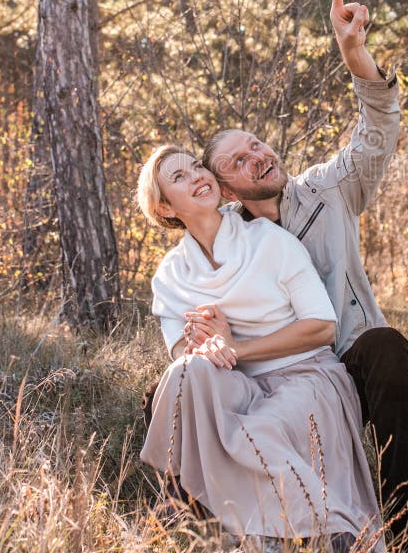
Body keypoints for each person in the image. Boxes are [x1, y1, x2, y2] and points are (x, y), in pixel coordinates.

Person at [192, 0, 408, 553]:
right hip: (274, 378)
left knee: (386, 346)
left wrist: (355, 55)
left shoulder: (329, 190)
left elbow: (377, 132)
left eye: (256, 144)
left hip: (344, 358)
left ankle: (405, 530)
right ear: (224, 189)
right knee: (172, 390)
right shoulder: (225, 241)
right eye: (238, 160)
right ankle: (198, 526)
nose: (257, 156)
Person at [137, 145, 384, 551]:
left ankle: (328, 529)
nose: (197, 176)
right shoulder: (171, 275)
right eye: (179, 177)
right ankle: (185, 500)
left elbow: (322, 327)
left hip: (306, 376)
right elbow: (183, 351)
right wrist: (207, 347)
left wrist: (235, 347)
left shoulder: (269, 239)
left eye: (197, 167)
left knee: (258, 431)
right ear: (165, 208)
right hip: (240, 386)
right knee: (184, 372)